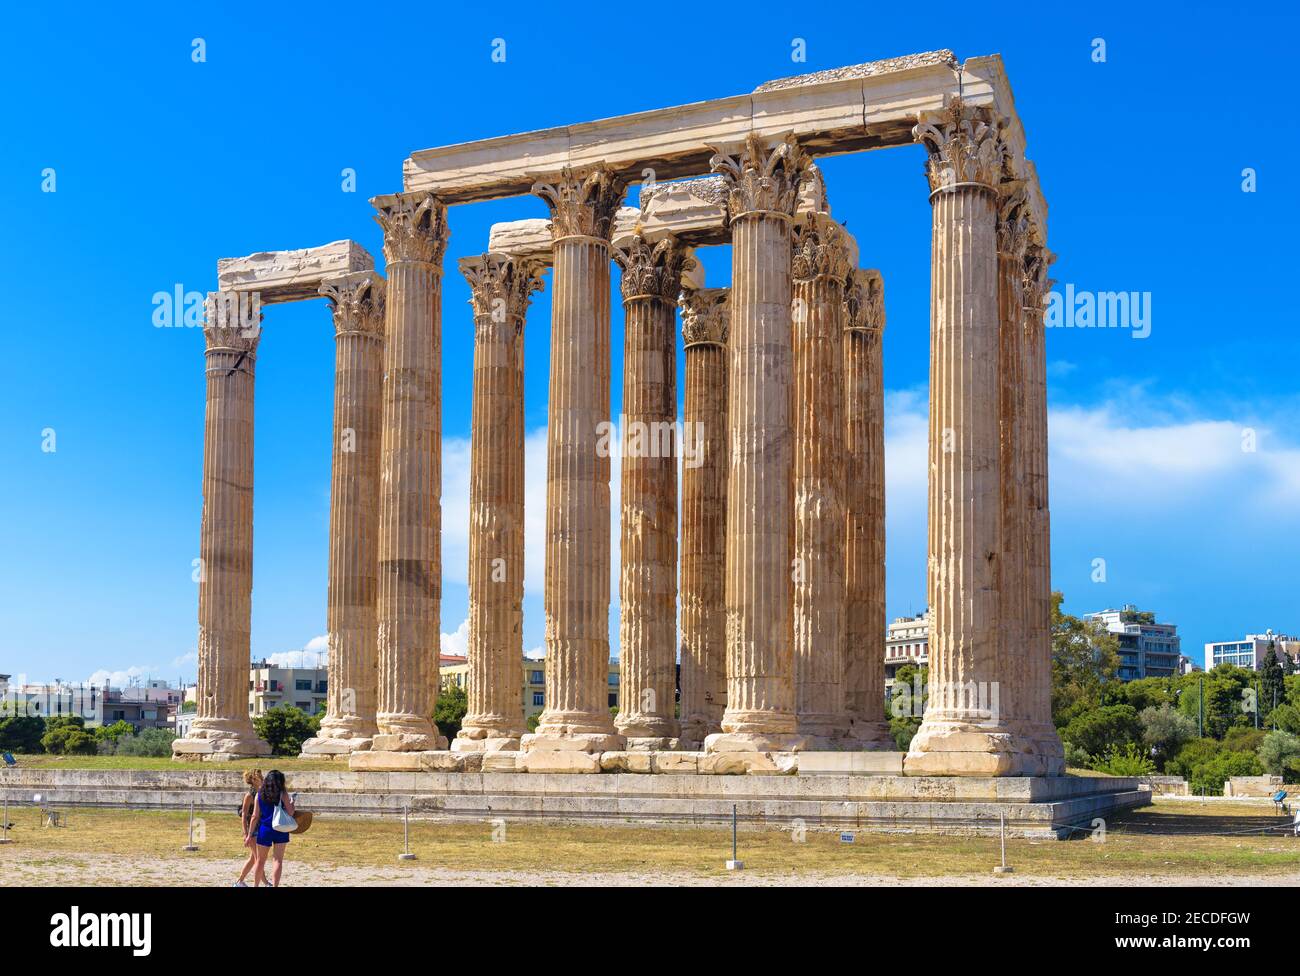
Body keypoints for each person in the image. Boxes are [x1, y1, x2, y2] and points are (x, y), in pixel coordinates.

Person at [251, 769, 296, 887]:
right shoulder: (283, 793)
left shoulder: (259, 794)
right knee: (278, 860)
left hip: (265, 828)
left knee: (260, 861)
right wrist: (292, 803)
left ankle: (255, 885)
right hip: (280, 828)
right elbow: (290, 812)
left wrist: (250, 834)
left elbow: (255, 816)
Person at [234, 769, 264, 887]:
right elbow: (244, 816)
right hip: (252, 829)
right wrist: (246, 833)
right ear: (252, 780)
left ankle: (239, 882)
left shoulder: (261, 792)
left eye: (261, 777)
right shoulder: (249, 796)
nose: (261, 779)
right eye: (258, 778)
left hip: (260, 827)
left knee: (253, 858)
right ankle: (266, 883)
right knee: (258, 858)